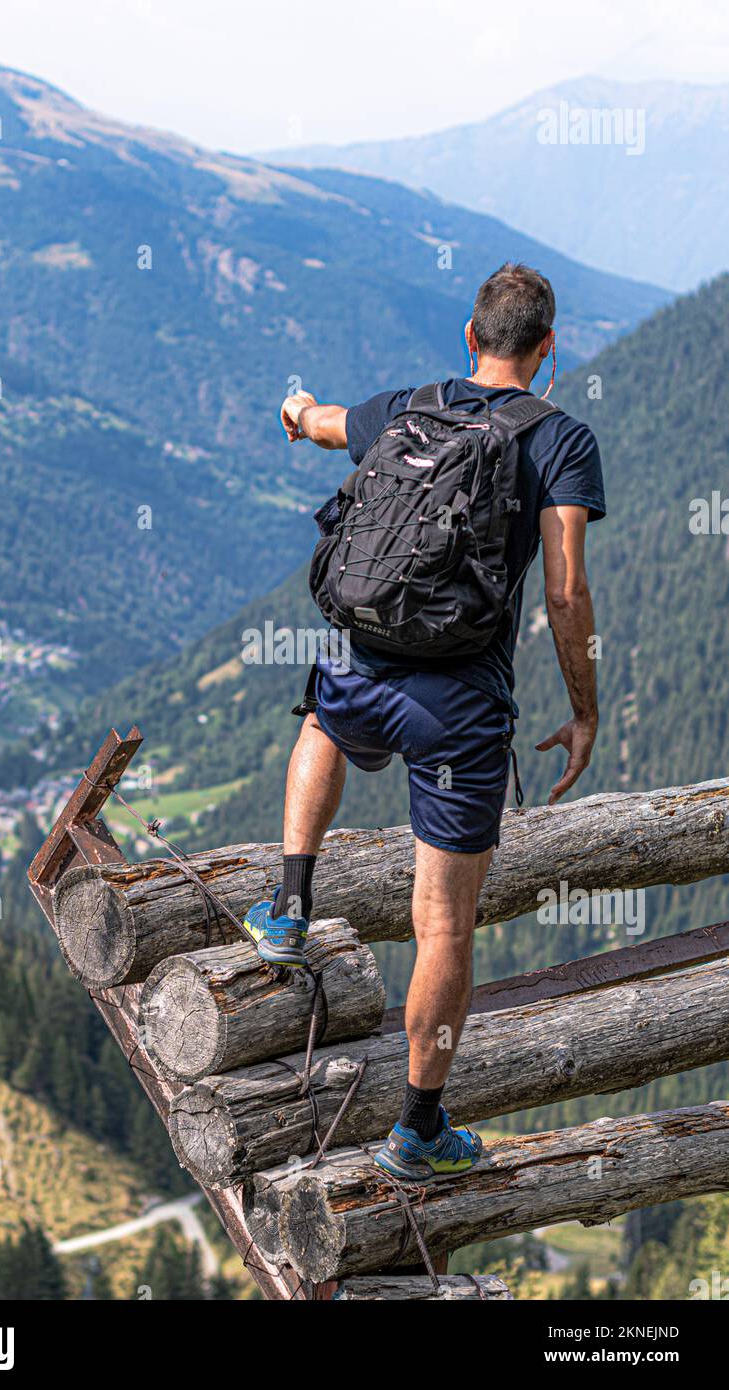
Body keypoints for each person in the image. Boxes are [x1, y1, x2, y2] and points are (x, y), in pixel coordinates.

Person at [243, 262, 605, 1180]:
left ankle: (288, 907)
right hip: (459, 707)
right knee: (443, 924)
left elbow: (323, 426)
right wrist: (584, 708)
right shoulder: (560, 441)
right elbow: (565, 591)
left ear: (470, 335)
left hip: (362, 674)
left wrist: (297, 409)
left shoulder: (413, 406)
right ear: (548, 347)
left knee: (322, 717)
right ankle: (418, 1130)